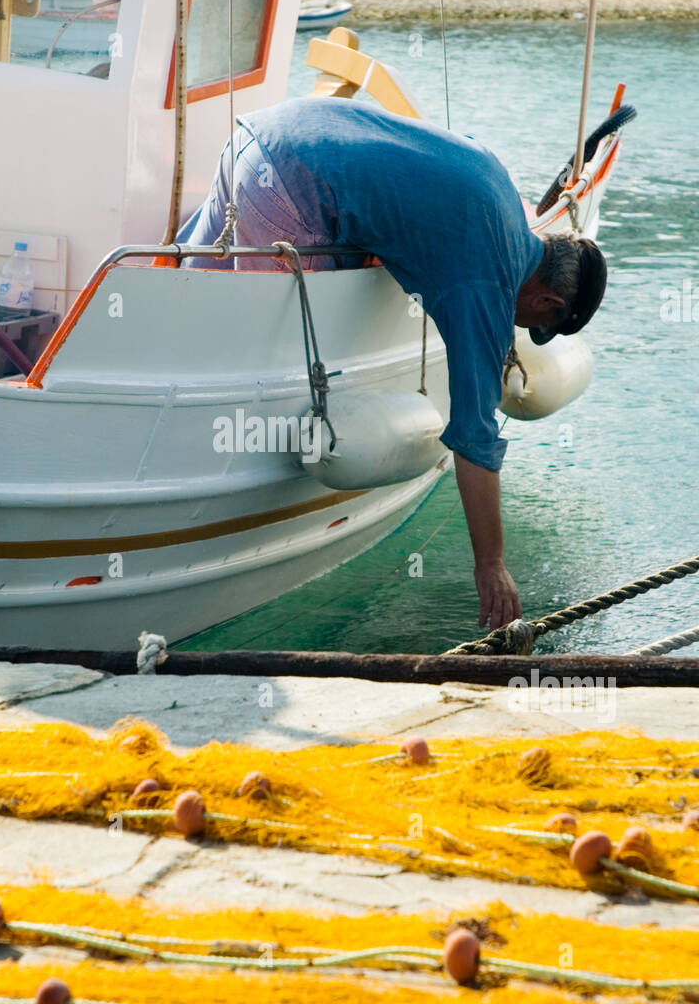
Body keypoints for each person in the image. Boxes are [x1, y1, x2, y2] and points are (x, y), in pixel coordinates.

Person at [178, 100, 608, 632]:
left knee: (186, 282)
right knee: (236, 326)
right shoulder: (484, 286)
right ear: (547, 303)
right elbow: (474, 438)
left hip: (257, 135)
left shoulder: (498, 181)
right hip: (288, 186)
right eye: (533, 325)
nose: (521, 328)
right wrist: (491, 565)